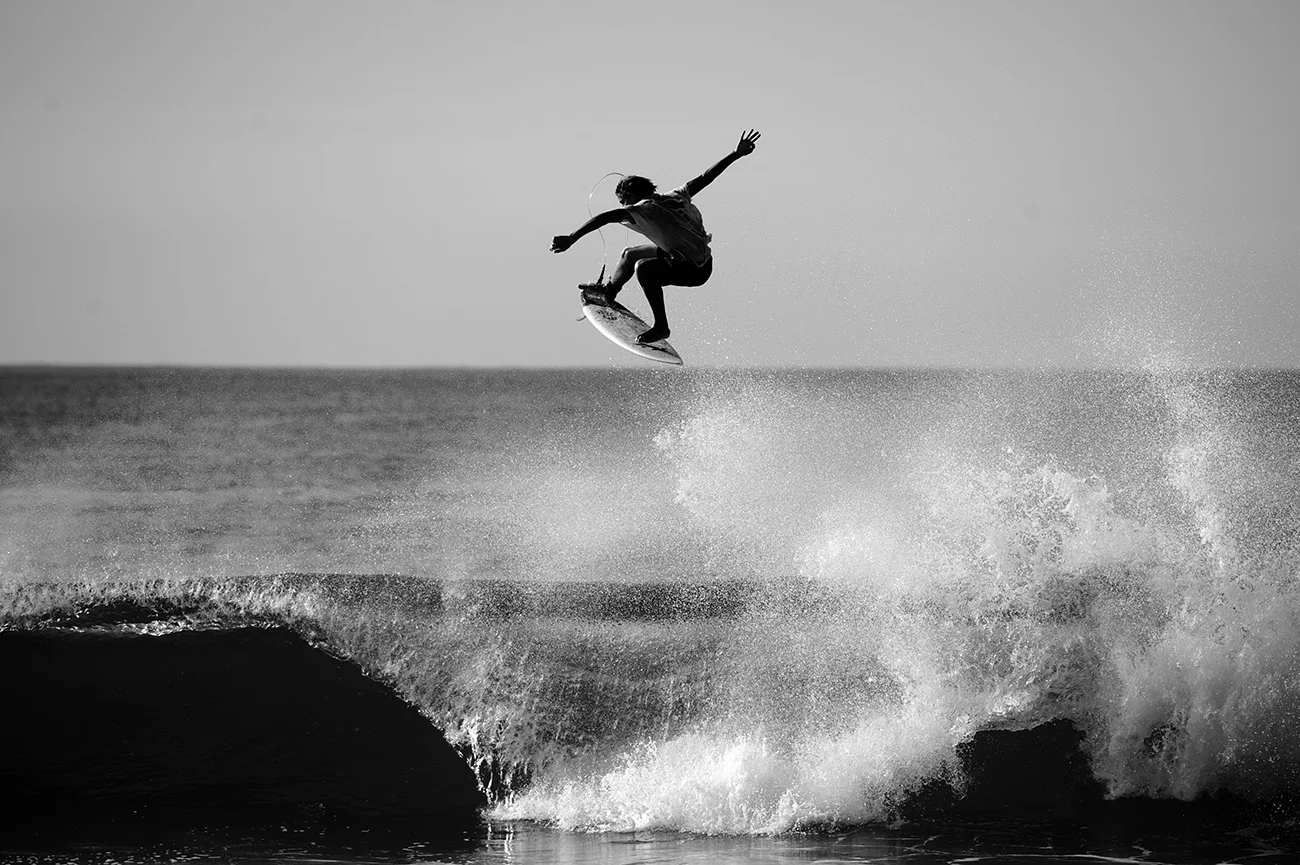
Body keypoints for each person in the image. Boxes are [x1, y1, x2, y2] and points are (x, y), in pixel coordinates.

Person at [551, 130, 761, 344]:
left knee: (644, 268)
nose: (624, 207)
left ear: (631, 197)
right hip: (687, 258)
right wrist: (735, 154)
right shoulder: (676, 195)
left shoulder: (641, 210)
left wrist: (571, 237)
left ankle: (661, 326)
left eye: (623, 202)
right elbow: (707, 177)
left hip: (695, 270)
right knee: (629, 255)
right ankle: (610, 292)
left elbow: (605, 217)